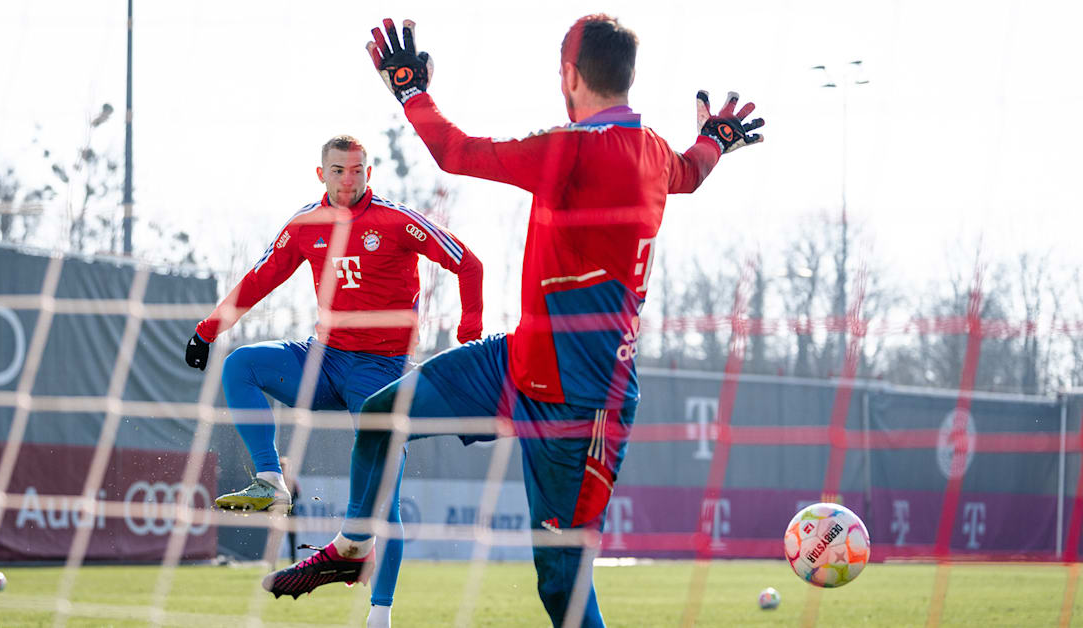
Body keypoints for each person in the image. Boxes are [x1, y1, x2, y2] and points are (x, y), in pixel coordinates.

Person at [262, 15, 764, 627]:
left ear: (570, 75)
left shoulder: (571, 148)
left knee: (561, 582)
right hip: (517, 361)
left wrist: (410, 90)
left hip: (580, 407)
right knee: (379, 417)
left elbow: (455, 152)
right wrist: (716, 138)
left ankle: (357, 549)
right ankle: (352, 550)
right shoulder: (656, 153)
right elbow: (692, 171)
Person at [184, 135, 484, 626]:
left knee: (382, 498)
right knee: (241, 365)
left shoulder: (396, 221)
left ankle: (380, 614)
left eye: (359, 170)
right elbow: (259, 277)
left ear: (370, 172)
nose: (350, 179)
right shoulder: (305, 225)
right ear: (320, 174)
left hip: (382, 373)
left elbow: (469, 265)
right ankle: (270, 480)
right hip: (324, 359)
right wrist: (207, 330)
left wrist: (469, 334)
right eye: (340, 170)